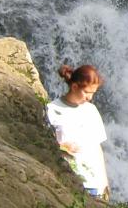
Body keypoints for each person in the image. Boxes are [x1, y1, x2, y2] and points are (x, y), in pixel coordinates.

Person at [46, 63, 109, 198]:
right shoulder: (52, 109)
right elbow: (45, 143)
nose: (90, 97)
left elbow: (97, 148)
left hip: (93, 182)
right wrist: (62, 146)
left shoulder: (91, 111)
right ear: (74, 87)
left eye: (93, 93)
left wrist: (104, 183)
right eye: (87, 92)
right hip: (67, 178)